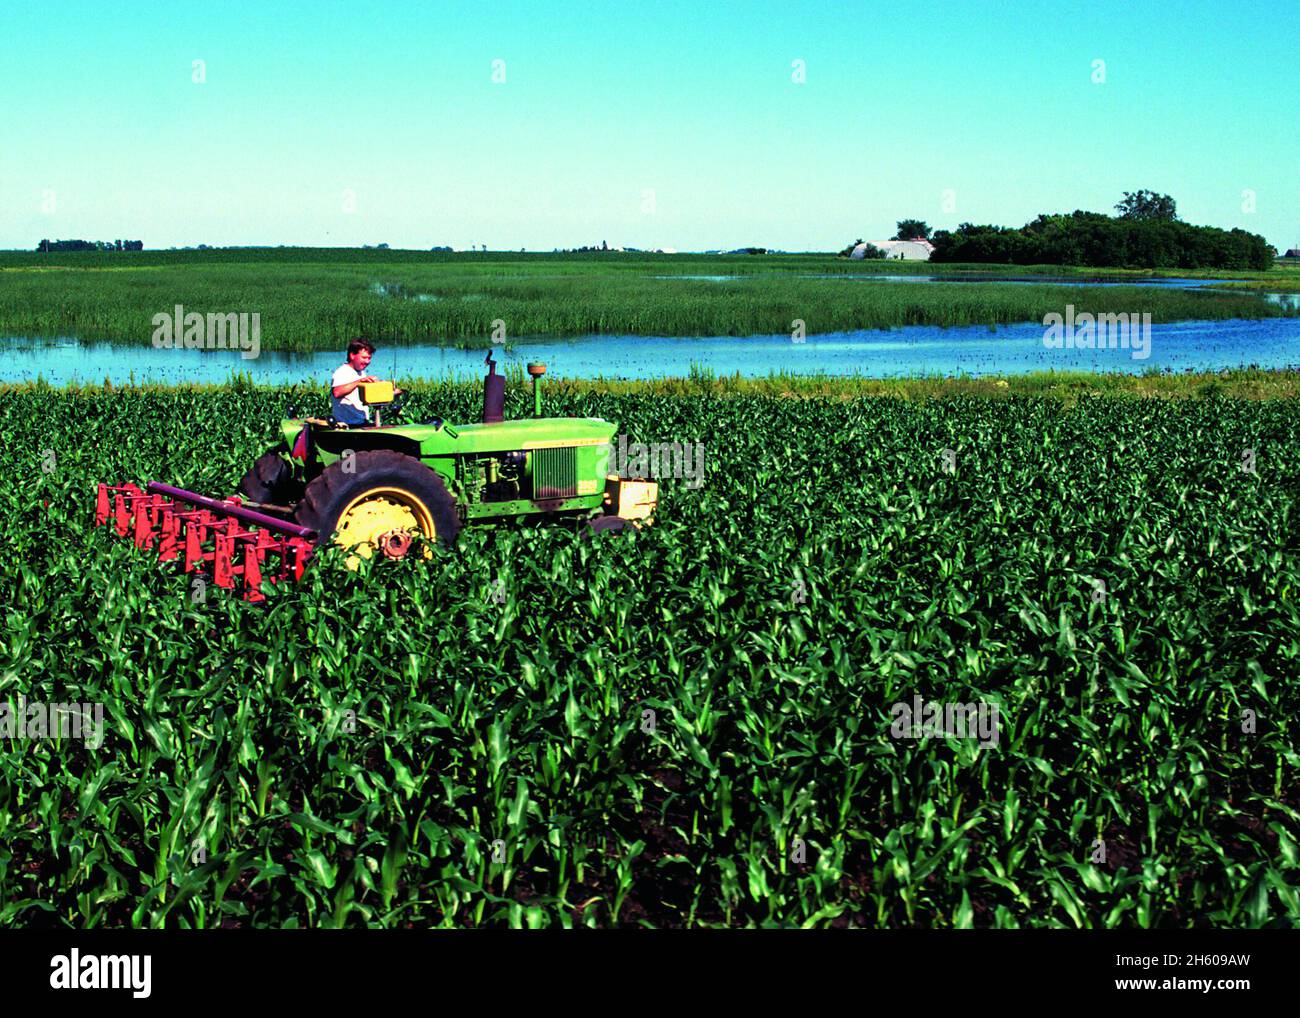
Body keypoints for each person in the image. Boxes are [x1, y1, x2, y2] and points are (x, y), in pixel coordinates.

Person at [330, 338, 401, 426]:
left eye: (369, 358)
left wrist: (390, 392)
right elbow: (337, 392)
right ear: (352, 355)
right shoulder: (342, 372)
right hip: (348, 425)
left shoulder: (361, 372)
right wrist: (359, 381)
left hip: (362, 423)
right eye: (364, 358)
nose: (367, 361)